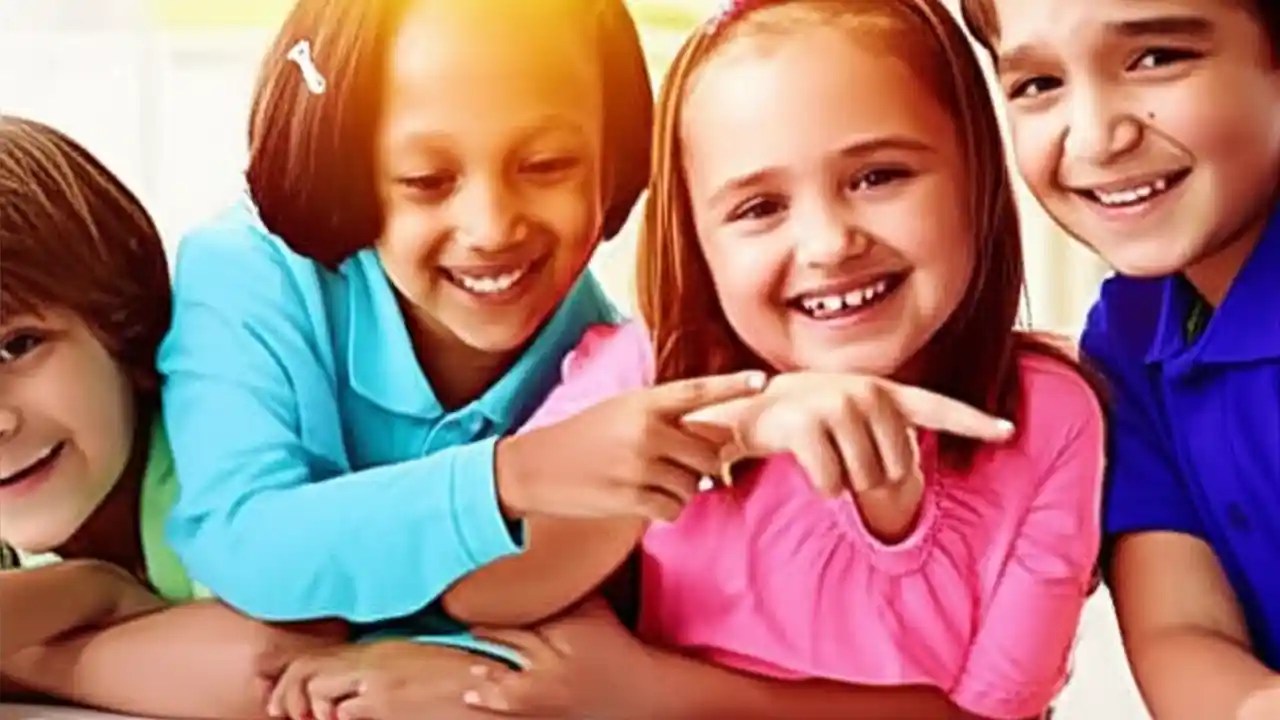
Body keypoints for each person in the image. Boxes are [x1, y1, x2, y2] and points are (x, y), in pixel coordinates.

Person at [437, 0, 1104, 718]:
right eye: (758, 208)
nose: (828, 243)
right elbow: (483, 589)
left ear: (977, 175)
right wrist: (724, 432)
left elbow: (993, 715)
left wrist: (654, 693)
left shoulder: (1050, 418)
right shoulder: (650, 372)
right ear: (699, 239)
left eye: (879, 177)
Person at [160, 0, 767, 711]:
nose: (490, 227)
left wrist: (459, 671)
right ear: (347, 167)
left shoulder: (614, 364)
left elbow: (587, 628)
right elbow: (243, 542)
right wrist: (512, 476)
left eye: (546, 165)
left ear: (619, 153)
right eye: (425, 180)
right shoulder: (247, 272)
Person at [960, 0, 1280, 716]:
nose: (1098, 136)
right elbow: (1180, 630)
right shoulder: (1126, 342)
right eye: (1039, 84)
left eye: (1157, 57)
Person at [0, 114, 341, 718]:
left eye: (18, 346)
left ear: (120, 323)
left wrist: (61, 621)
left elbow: (278, 668)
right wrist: (88, 594)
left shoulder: (220, 442)